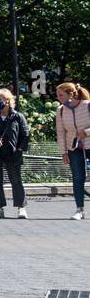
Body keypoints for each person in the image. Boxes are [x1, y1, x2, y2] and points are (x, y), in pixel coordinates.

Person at [0, 88, 28, 219]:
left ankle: (21, 208)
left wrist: (19, 149)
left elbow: (25, 134)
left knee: (16, 181)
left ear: (7, 101)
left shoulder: (18, 116)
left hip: (12, 153)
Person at [55, 82, 90, 220]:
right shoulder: (61, 110)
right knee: (77, 178)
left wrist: (86, 132)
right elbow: (60, 131)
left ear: (71, 94)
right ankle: (79, 209)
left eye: (61, 94)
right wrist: (63, 152)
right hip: (73, 148)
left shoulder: (87, 105)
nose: (58, 97)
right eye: (57, 95)